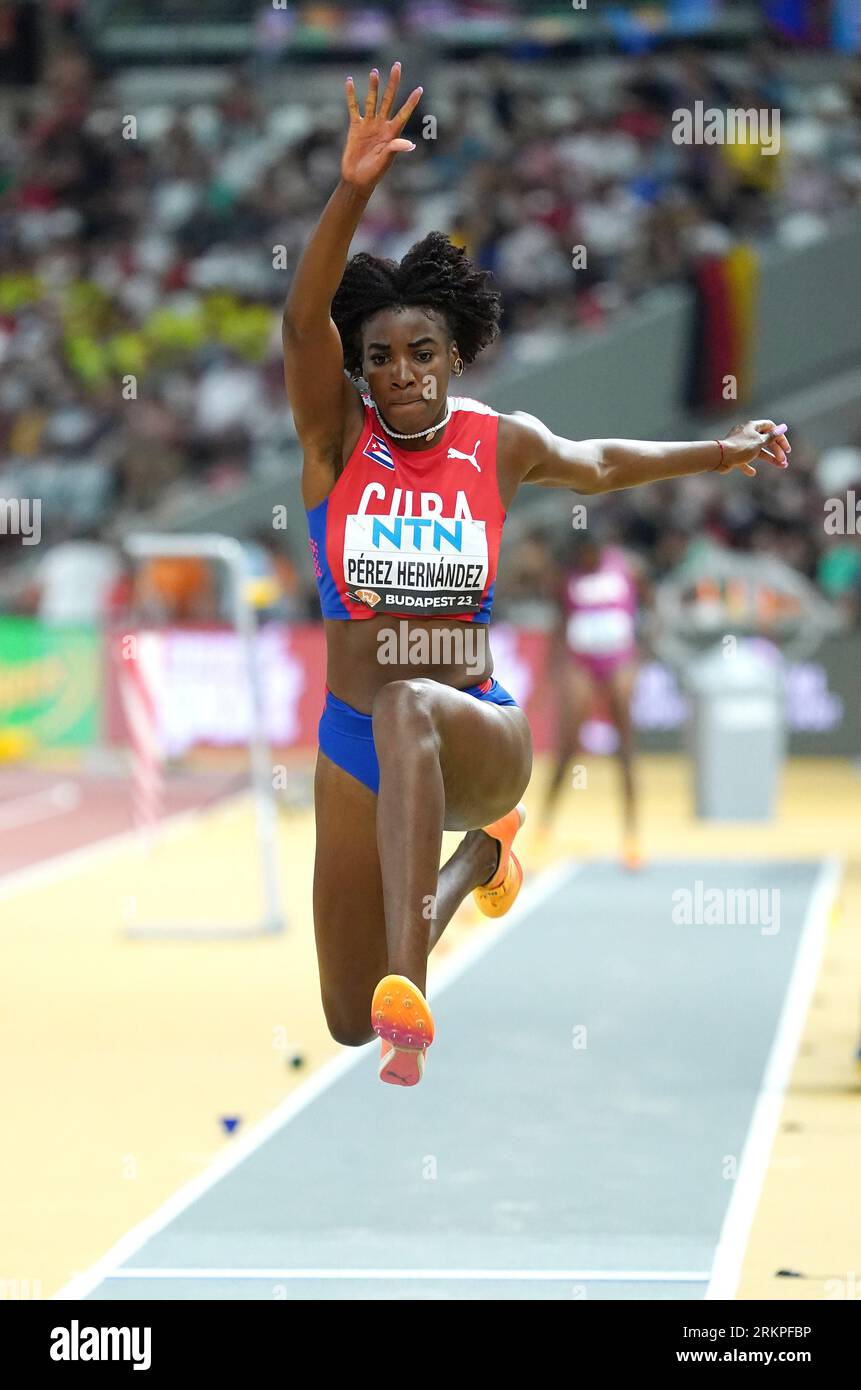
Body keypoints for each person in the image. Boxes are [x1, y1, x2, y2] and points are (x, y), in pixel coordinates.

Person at [282, 62, 791, 1087]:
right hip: (351, 733)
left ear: (454, 354)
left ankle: (413, 1011)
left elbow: (601, 463)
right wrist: (354, 189)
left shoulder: (496, 442)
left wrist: (719, 451)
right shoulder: (336, 444)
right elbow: (302, 328)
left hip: (474, 724)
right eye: (380, 357)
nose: (402, 372)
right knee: (341, 1015)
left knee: (410, 711)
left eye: (422, 351)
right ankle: (483, 859)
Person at [539, 522, 651, 870]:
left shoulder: (627, 568)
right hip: (582, 662)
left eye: (591, 555)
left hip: (619, 660)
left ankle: (631, 836)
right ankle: (544, 825)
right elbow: (560, 623)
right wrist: (555, 669)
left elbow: (653, 606)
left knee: (626, 748)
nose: (587, 560)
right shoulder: (567, 578)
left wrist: (642, 654)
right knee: (567, 748)